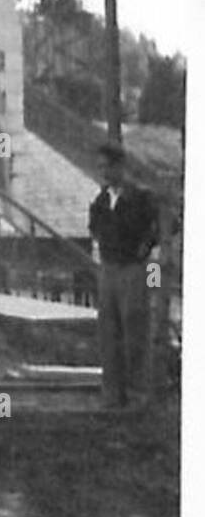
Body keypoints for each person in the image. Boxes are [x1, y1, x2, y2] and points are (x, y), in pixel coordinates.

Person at [88, 143, 160, 410]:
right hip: (108, 269)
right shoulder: (101, 200)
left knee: (135, 331)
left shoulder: (141, 197)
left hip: (133, 269)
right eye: (101, 168)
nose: (104, 172)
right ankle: (112, 395)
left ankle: (138, 395)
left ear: (121, 167)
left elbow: (166, 223)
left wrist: (146, 247)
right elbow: (94, 228)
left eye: (108, 167)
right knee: (109, 332)